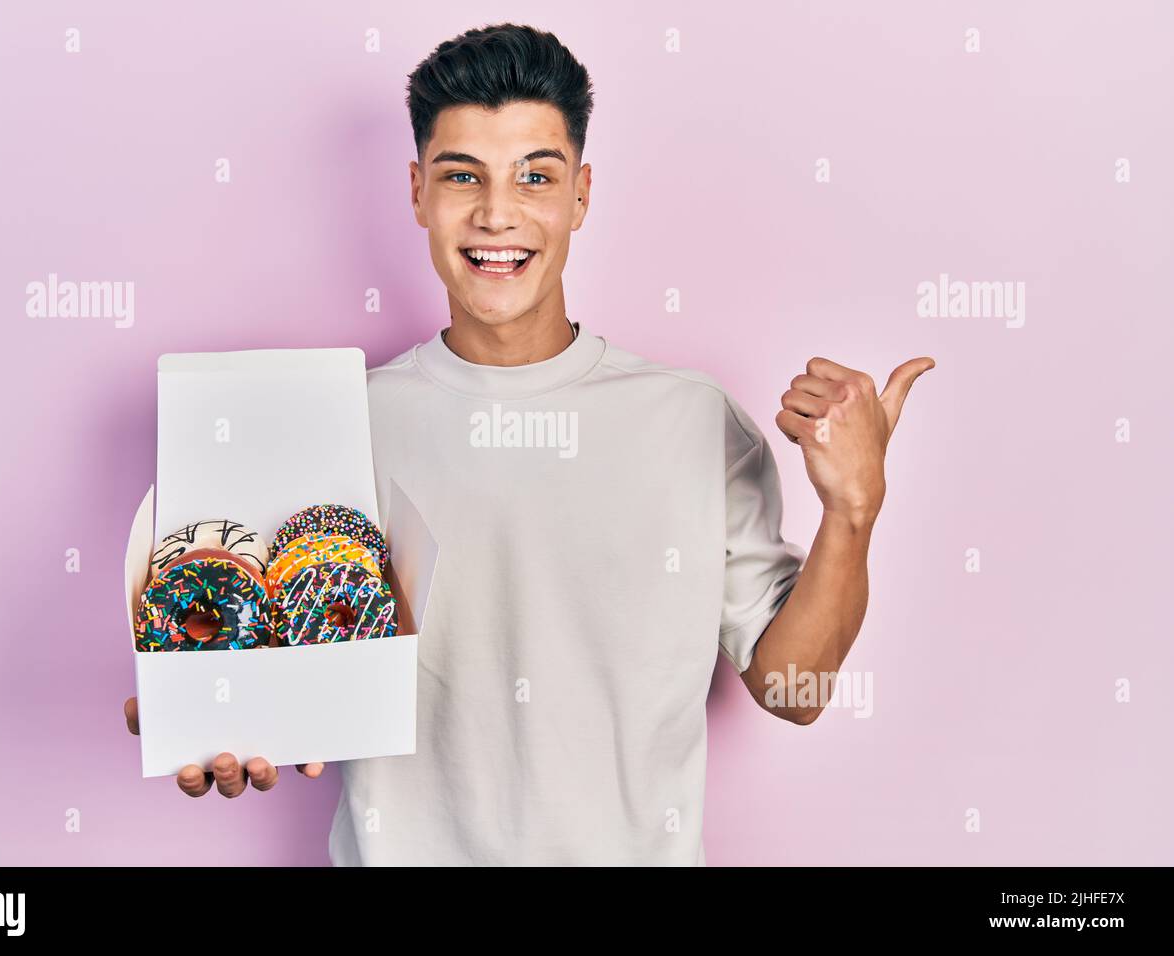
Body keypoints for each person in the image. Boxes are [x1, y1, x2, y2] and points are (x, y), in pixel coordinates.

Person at [124, 22, 933, 865]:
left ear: (580, 195)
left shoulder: (693, 421)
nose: (497, 214)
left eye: (535, 176)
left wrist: (853, 508)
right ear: (416, 193)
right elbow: (283, 664)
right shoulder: (341, 425)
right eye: (461, 175)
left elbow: (790, 689)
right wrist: (211, 711)